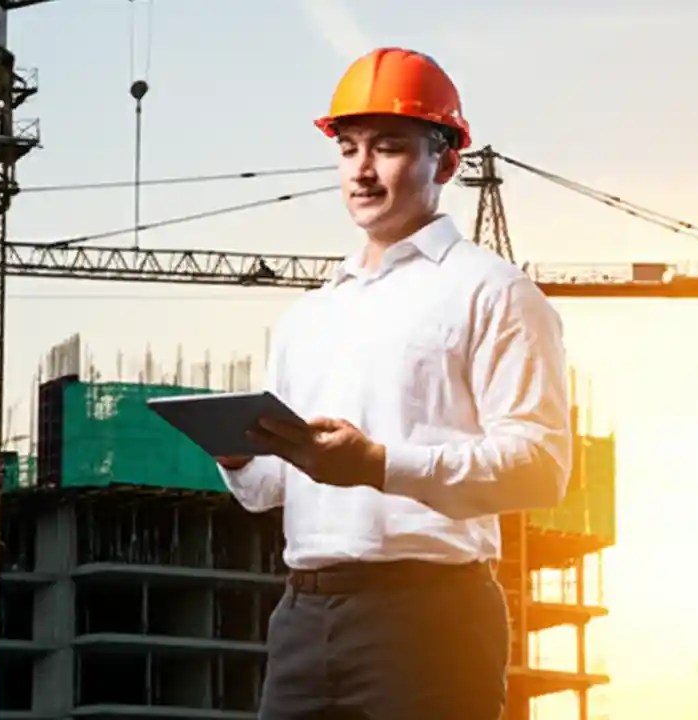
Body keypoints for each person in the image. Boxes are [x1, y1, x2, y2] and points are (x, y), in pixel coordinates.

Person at [215, 47, 572, 720]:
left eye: (387, 148)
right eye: (348, 149)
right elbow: (270, 490)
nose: (362, 171)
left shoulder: (494, 292)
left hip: (431, 617)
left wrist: (378, 465)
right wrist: (237, 455)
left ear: (446, 161)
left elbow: (540, 469)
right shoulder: (311, 315)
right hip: (302, 617)